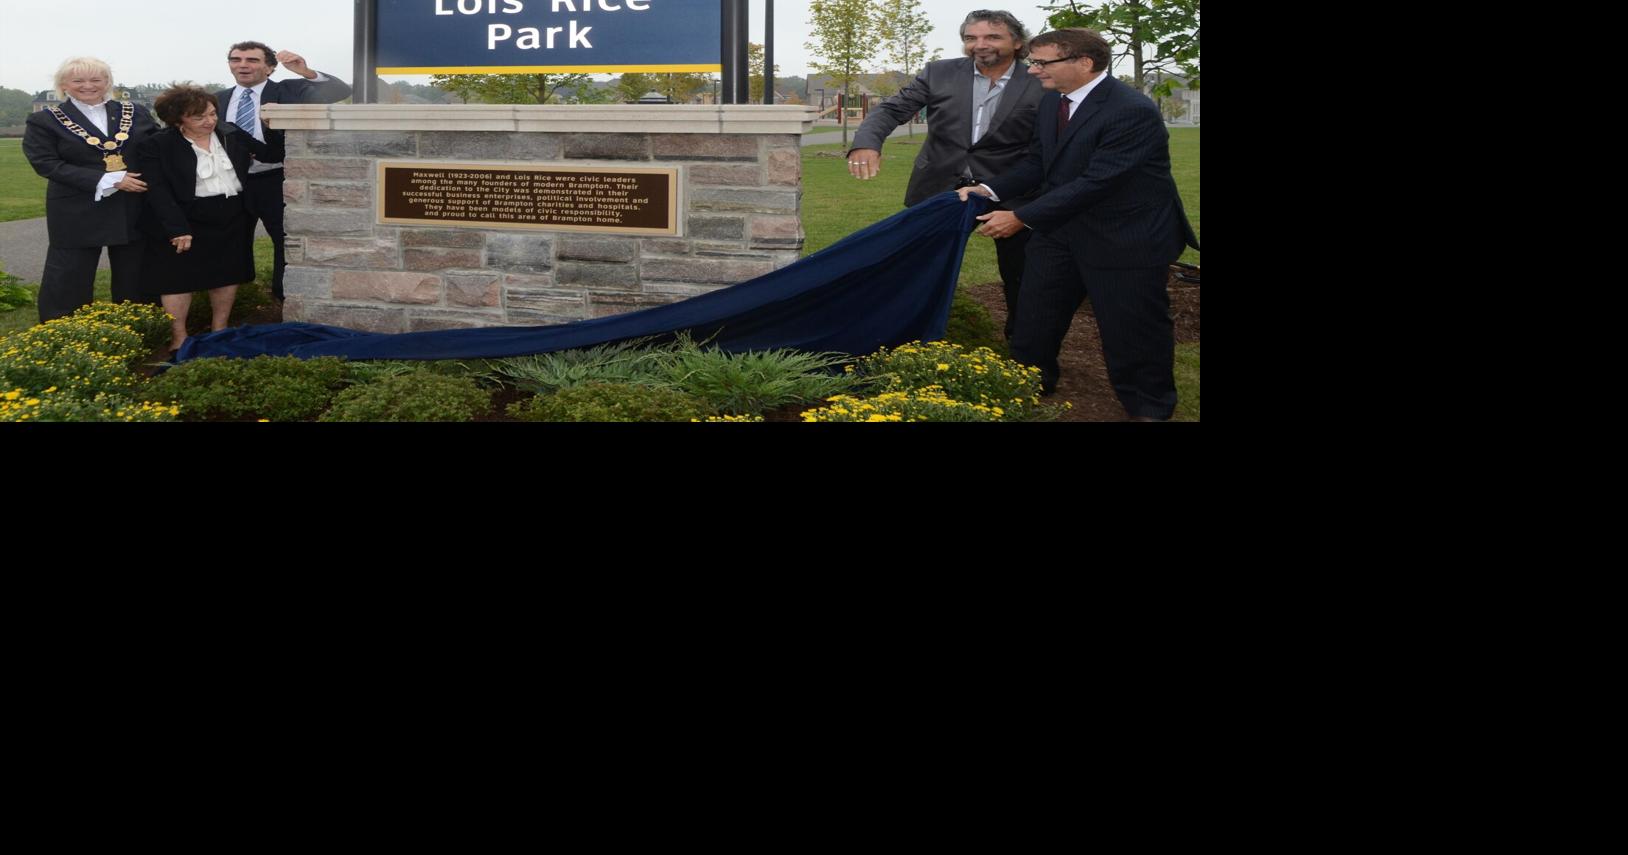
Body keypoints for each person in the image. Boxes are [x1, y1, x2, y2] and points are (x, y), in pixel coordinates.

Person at [958, 28, 1198, 421]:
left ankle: (1149, 406)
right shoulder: (1053, 102)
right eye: (1033, 61)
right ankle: (1029, 383)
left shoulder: (1131, 110)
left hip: (1125, 237)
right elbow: (1039, 163)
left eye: (1042, 62)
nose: (1033, 70)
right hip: (1059, 233)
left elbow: (1097, 182)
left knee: (1132, 328)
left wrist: (1021, 217)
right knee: (1034, 317)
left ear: (1084, 63)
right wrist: (988, 189)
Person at [847, 9, 1044, 339]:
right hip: (939, 188)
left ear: (1017, 42)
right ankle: (903, 339)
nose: (980, 44)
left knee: (1022, 276)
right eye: (971, 38)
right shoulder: (938, 73)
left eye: (992, 36)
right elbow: (891, 110)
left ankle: (1024, 350)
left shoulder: (1040, 81)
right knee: (915, 269)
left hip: (1011, 193)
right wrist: (867, 142)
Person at [129, 85, 284, 352]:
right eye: (199, 117)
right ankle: (179, 338)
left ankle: (219, 330)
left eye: (212, 113)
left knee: (226, 274)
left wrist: (272, 127)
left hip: (231, 215)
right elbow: (157, 189)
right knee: (176, 278)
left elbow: (272, 155)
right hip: (183, 218)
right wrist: (177, 228)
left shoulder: (230, 132)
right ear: (177, 119)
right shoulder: (157, 145)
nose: (209, 121)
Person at [22, 56, 158, 323]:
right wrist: (108, 180)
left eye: (96, 79)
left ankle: (139, 326)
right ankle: (64, 329)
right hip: (76, 207)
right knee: (69, 276)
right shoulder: (44, 120)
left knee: (136, 274)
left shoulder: (135, 112)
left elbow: (156, 149)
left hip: (133, 204)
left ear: (107, 82)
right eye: (78, 80)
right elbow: (45, 163)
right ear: (63, 84)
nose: (88, 86)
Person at [215, 42, 352, 301]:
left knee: (284, 240)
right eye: (236, 59)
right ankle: (242, 296)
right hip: (231, 182)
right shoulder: (218, 99)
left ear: (269, 67)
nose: (243, 65)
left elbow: (340, 91)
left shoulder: (289, 90)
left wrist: (306, 71)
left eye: (252, 60)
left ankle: (284, 297)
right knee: (231, 242)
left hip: (275, 179)